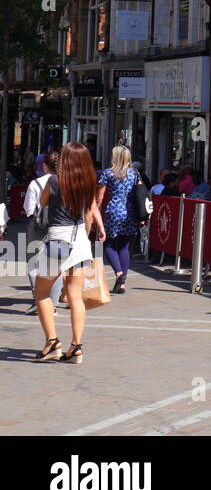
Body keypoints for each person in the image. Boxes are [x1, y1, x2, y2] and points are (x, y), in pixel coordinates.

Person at [31, 142, 105, 365]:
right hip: (80, 240)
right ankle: (76, 346)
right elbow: (90, 213)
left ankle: (52, 342)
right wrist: (93, 230)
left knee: (42, 292)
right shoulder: (88, 183)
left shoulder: (54, 180)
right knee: (75, 297)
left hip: (58, 241)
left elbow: (41, 203)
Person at [97, 145, 144, 294]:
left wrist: (96, 215)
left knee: (108, 244)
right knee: (124, 246)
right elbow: (141, 194)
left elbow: (99, 197)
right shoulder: (135, 173)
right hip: (130, 211)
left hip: (114, 210)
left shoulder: (107, 173)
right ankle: (122, 284)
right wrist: (142, 214)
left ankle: (118, 273)